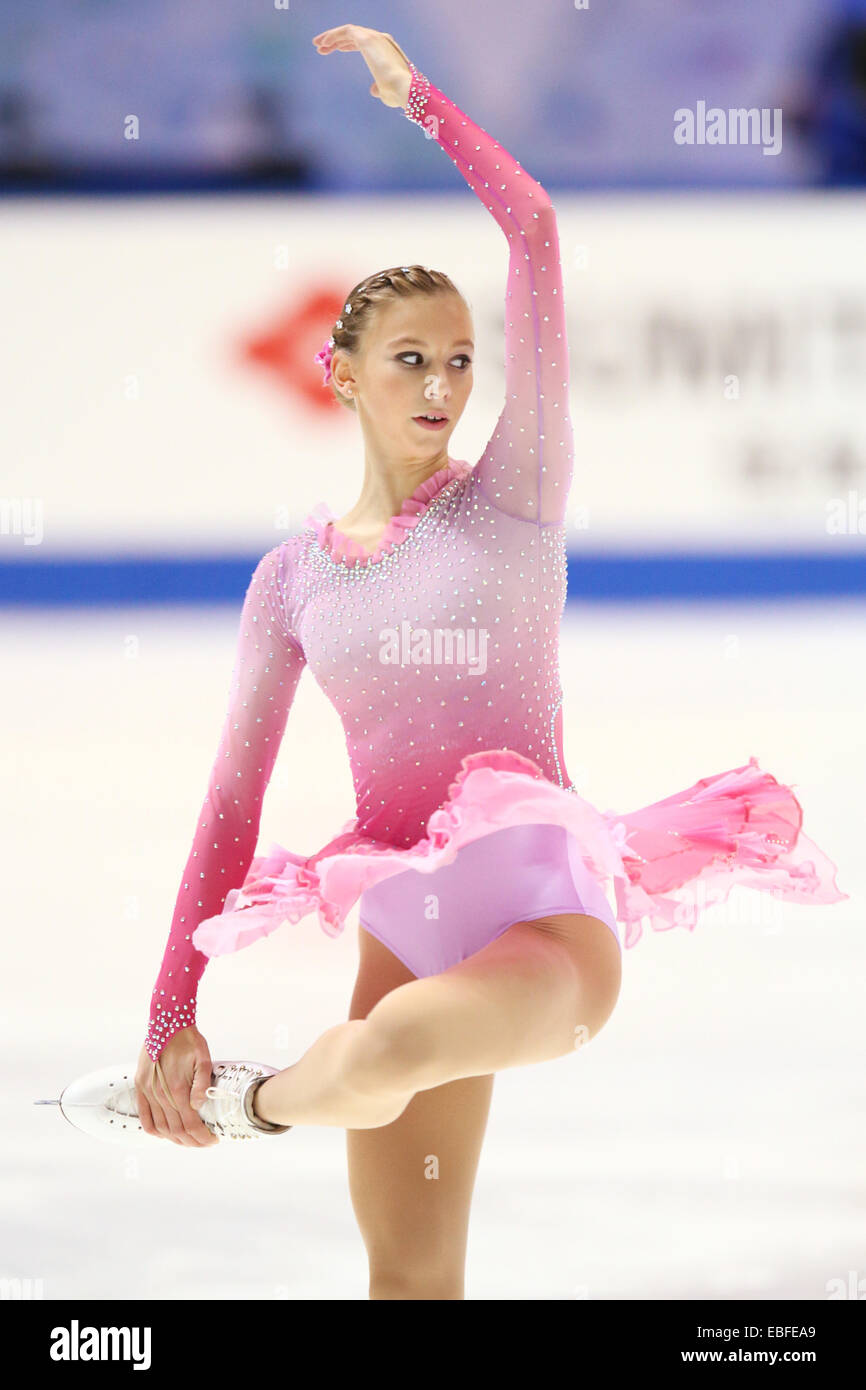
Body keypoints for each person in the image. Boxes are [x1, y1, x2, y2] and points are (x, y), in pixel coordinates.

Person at [84, 24, 841, 1299]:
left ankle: (243, 1108)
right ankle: (230, 1092)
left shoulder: (516, 501)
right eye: (408, 360)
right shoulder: (292, 581)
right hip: (403, 919)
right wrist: (169, 1015)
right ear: (338, 377)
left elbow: (533, 229)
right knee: (412, 1272)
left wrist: (416, 100)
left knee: (385, 1050)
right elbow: (230, 803)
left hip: (545, 927)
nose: (440, 385)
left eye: (457, 360)